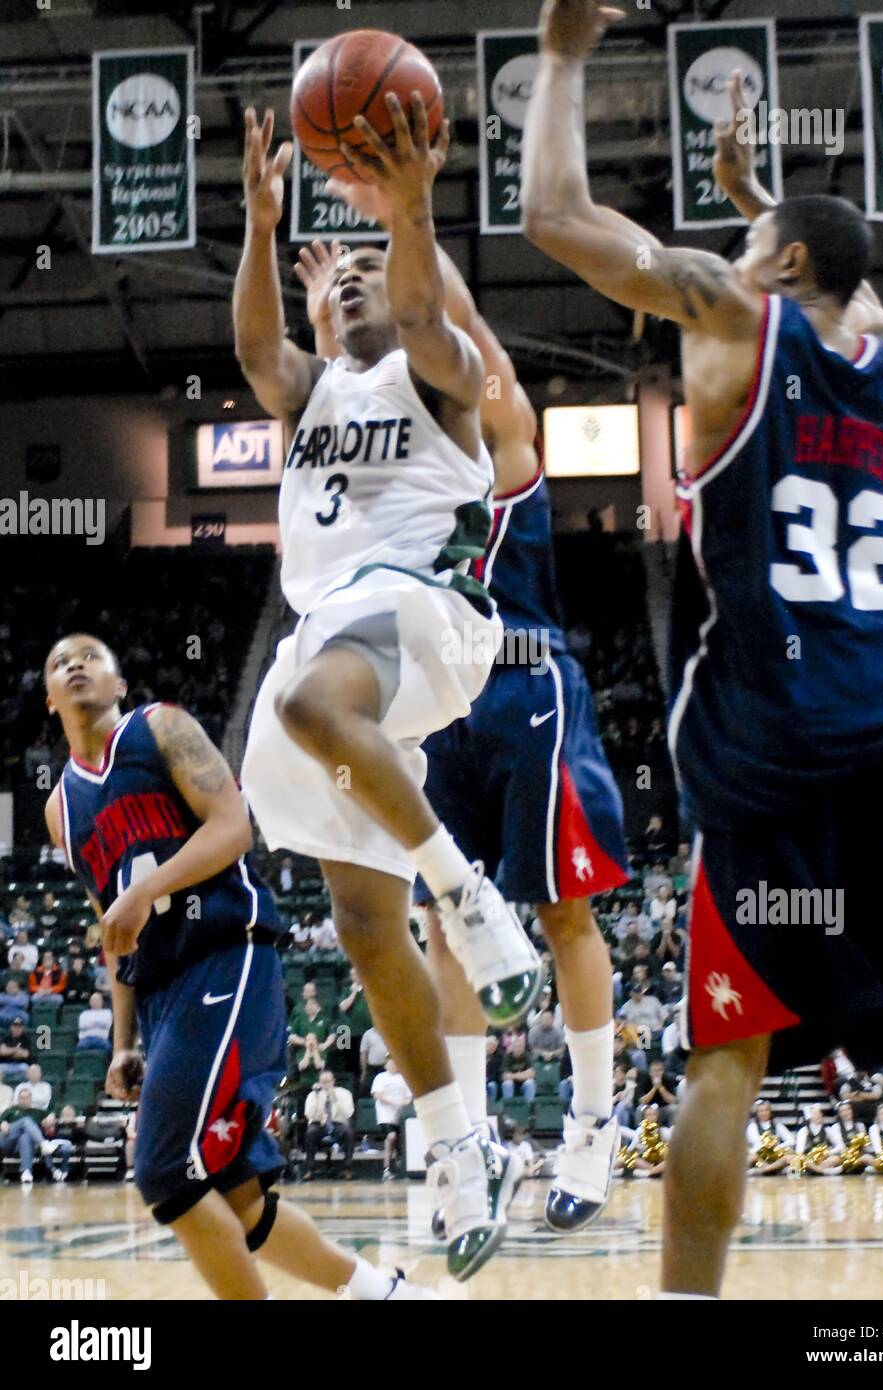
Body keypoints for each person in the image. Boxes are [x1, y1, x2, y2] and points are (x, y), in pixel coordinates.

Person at [523, 0, 883, 1296]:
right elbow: (842, 282)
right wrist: (767, 198)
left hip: (775, 759)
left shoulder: (733, 313)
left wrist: (562, 53)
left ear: (770, 264)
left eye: (751, 241)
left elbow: (553, 222)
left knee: (726, 1055)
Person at [233, 100, 534, 1280]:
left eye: (367, 271)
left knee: (308, 705)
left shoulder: (440, 374)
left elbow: (423, 307)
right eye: (334, 278)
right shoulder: (312, 397)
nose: (351, 283)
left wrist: (406, 212)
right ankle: (464, 1149)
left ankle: (470, 898)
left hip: (426, 615)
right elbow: (260, 358)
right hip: (338, 646)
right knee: (363, 928)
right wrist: (262, 230)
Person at [303, 162, 630, 1239]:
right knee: (447, 921)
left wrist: (399, 214)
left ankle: (592, 1122)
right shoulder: (372, 458)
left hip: (525, 685)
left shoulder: (492, 435)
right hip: (427, 703)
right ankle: (471, 1144)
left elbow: (459, 317)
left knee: (563, 908)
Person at [44, 632, 432, 1300]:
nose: (75, 664)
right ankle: (388, 1295)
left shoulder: (161, 726)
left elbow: (232, 828)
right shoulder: (59, 808)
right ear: (49, 700)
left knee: (165, 1175)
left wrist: (143, 891)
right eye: (58, 662)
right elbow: (115, 927)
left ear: (119, 685)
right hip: (163, 996)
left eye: (91, 656)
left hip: (227, 958)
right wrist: (124, 1041)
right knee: (239, 1197)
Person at [303, 1070, 355, 1180]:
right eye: (323, 1081)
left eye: (328, 1081)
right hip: (318, 1123)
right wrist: (317, 1098)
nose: (326, 1084)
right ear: (319, 1082)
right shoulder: (313, 1095)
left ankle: (347, 1169)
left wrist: (335, 1099)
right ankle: (310, 1169)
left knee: (348, 1133)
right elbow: (309, 1114)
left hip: (338, 1123)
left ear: (333, 1081)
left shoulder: (344, 1093)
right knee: (310, 1133)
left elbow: (348, 1113)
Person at [371, 1057, 413, 1181]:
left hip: (400, 1116)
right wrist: (394, 1102)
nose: (393, 1064)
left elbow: (408, 1097)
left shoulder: (403, 1078)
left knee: (401, 1141)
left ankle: (401, 1167)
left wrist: (402, 1103)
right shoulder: (380, 1077)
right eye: (390, 1062)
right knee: (391, 1137)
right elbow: (378, 1094)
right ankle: (386, 1168)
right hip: (385, 1115)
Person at [0, 1084, 45, 1184]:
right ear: (18, 1099)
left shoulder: (38, 1112)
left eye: (27, 1098)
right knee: (26, 1121)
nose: (24, 1100)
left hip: (22, 1145)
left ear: (31, 1099)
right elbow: (1, 1121)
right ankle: (44, 1144)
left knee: (26, 1137)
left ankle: (26, 1171)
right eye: (22, 1098)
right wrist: (2, 1123)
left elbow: (51, 1114)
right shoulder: (10, 1111)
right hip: (7, 1139)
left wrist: (51, 1116)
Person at [745, 1100, 793, 1175]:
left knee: (789, 1157)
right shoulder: (752, 1126)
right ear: (757, 1113)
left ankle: (767, 1169)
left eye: (767, 1110)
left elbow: (791, 1140)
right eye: (761, 1111)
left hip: (775, 1157)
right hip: (760, 1158)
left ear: (770, 1112)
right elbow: (758, 1144)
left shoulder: (776, 1124)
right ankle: (769, 1168)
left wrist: (778, 1147)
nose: (764, 1113)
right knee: (752, 1157)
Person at [0, 1015, 30, 1083]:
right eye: (15, 1026)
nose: (17, 1028)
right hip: (6, 1065)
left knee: (26, 1068)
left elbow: (26, 1054)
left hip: (20, 1065)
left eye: (19, 1027)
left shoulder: (25, 1038)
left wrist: (9, 1051)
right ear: (11, 1027)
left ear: (22, 1028)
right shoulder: (6, 1038)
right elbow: (2, 1051)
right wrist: (16, 1050)